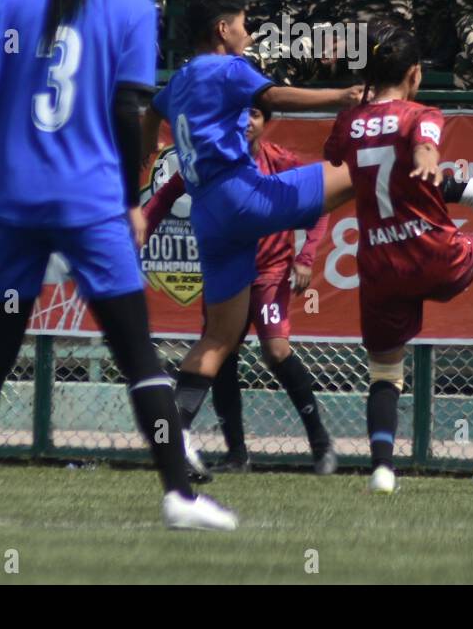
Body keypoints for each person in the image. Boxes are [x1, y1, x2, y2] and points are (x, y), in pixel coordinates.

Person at [0, 0, 237, 531]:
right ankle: (179, 493)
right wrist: (129, 196)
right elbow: (128, 108)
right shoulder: (130, 8)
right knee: (136, 353)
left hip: (12, 202)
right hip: (90, 204)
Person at [143, 0, 473, 468]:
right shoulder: (228, 66)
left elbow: (150, 113)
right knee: (362, 169)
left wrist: (150, 153)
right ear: (222, 29)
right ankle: (469, 191)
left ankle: (172, 436)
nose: (248, 31)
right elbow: (276, 94)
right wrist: (339, 96)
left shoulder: (180, 78)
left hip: (210, 216)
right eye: (243, 22)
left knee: (219, 337)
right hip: (246, 198)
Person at [324, 23, 473, 494]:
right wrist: (429, 155)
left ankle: (382, 469)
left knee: (386, 371)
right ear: (415, 74)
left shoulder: (349, 121)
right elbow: (425, 142)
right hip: (428, 248)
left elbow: (343, 162)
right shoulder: (422, 112)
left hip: (377, 260)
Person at [142, 99, 335, 475]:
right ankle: (236, 454)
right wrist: (142, 231)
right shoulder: (211, 159)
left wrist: (306, 257)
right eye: (238, 112)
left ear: (267, 122)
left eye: (256, 113)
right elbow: (166, 194)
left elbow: (323, 202)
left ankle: (321, 443)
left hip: (269, 274)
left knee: (277, 351)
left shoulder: (281, 161)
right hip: (228, 272)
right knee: (221, 354)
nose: (246, 120)